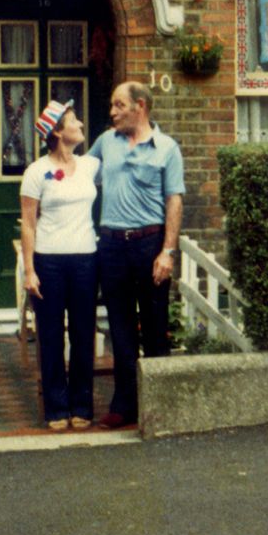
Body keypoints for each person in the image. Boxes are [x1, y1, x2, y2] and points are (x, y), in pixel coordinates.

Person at [88, 81, 185, 429]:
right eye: (112, 105)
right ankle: (124, 405)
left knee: (155, 325)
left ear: (140, 106)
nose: (112, 112)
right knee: (120, 325)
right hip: (112, 245)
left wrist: (167, 252)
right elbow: (78, 176)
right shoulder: (105, 142)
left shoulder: (167, 148)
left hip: (149, 244)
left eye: (119, 105)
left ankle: (159, 404)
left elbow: (174, 200)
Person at [20, 100, 100, 432]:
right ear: (56, 132)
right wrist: (29, 271)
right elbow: (28, 224)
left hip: (85, 259)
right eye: (73, 120)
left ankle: (81, 405)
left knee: (83, 333)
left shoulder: (91, 165)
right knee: (51, 335)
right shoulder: (36, 171)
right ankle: (55, 408)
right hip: (49, 261)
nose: (80, 124)